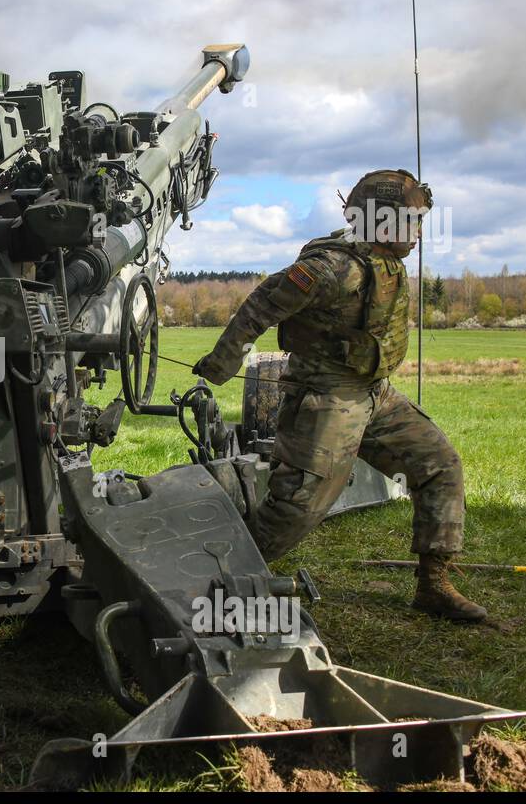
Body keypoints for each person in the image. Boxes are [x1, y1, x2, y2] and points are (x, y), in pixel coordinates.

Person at [193, 169, 484, 621]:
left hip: (375, 393)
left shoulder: (383, 258)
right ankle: (207, 578)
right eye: (412, 221)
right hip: (326, 399)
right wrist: (223, 361)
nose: (420, 232)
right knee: (296, 510)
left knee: (438, 465)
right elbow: (261, 304)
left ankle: (434, 586)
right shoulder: (332, 267)